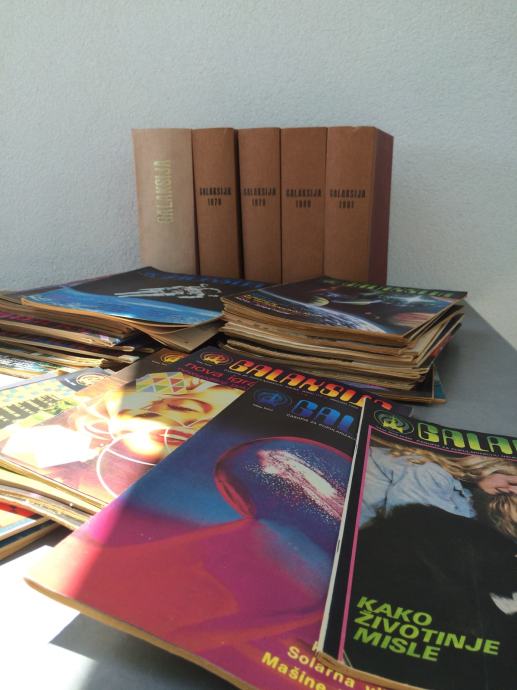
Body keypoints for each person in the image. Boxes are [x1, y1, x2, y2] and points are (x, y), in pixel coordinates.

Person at [361, 435, 517, 540]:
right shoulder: (433, 473)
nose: (512, 490)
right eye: (513, 483)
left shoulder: (466, 501)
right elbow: (409, 524)